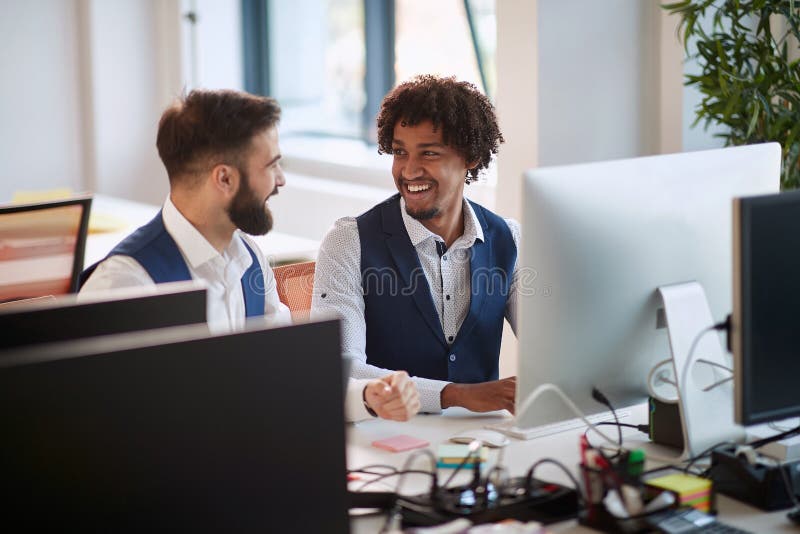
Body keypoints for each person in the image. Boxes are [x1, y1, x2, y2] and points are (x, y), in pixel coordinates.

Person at [80, 89, 419, 423]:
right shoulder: (125, 284)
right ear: (224, 178)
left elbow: (284, 375)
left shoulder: (250, 259)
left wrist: (367, 396)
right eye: (272, 165)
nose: (281, 180)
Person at [311, 75, 519, 415]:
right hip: (386, 441)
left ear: (470, 157)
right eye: (399, 152)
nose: (409, 170)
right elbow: (340, 368)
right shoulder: (348, 242)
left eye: (429, 153)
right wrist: (456, 394)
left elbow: (549, 348)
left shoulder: (507, 238)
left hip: (482, 439)